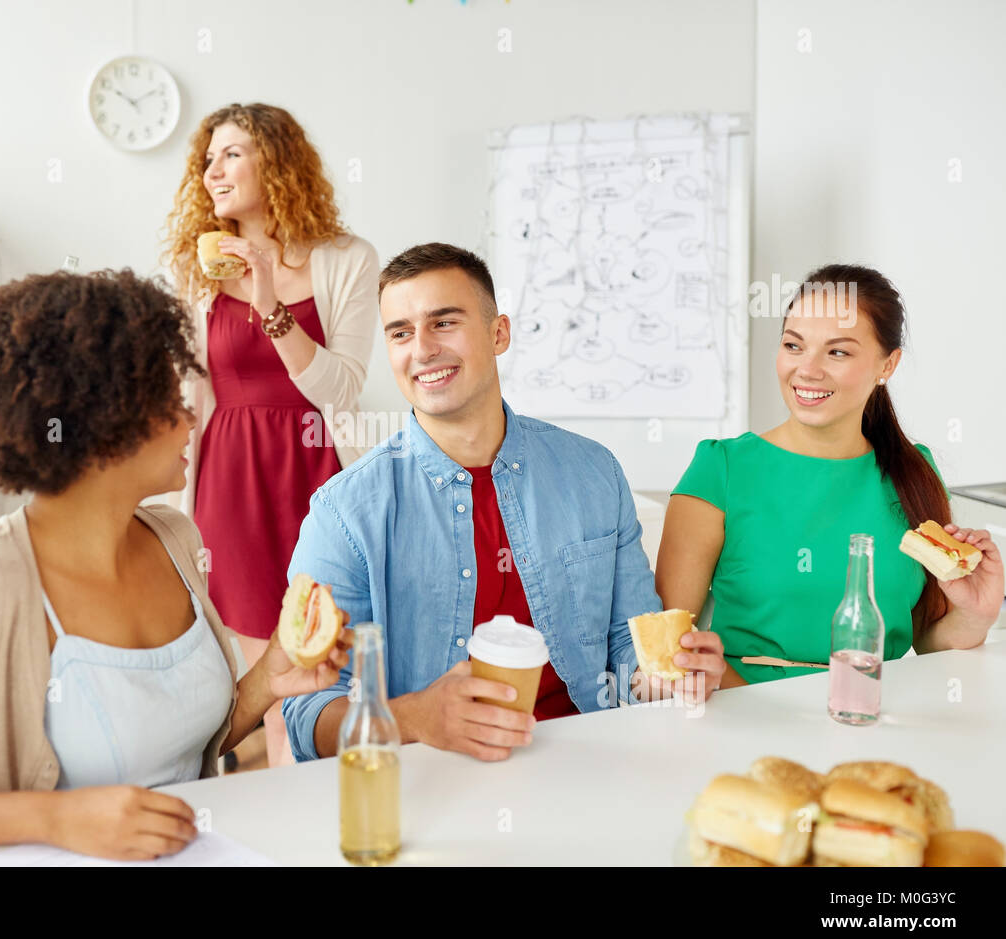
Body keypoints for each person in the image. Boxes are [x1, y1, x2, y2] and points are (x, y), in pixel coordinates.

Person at [0, 270, 349, 860]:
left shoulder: (176, 539)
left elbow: (176, 747)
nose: (190, 418)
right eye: (165, 399)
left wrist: (268, 680)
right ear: (96, 423)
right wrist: (56, 818)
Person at [282, 243, 725, 763]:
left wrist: (676, 676)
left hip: (590, 764)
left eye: (443, 322)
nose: (421, 349)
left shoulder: (594, 472)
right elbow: (308, 716)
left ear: (499, 334)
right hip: (431, 779)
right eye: (400, 332)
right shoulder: (344, 511)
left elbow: (628, 657)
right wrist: (416, 719)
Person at [656, 265, 1002, 685]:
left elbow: (929, 641)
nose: (808, 369)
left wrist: (975, 612)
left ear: (887, 365)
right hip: (745, 715)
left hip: (876, 712)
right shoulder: (721, 468)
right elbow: (669, 647)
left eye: (838, 352)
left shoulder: (914, 471)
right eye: (793, 345)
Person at [162, 103, 379, 765]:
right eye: (207, 161)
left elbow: (339, 387)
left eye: (230, 154)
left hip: (320, 474)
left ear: (276, 164)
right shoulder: (199, 272)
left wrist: (271, 308)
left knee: (332, 656)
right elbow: (189, 392)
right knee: (274, 678)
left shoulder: (348, 260)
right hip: (232, 481)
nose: (212, 173)